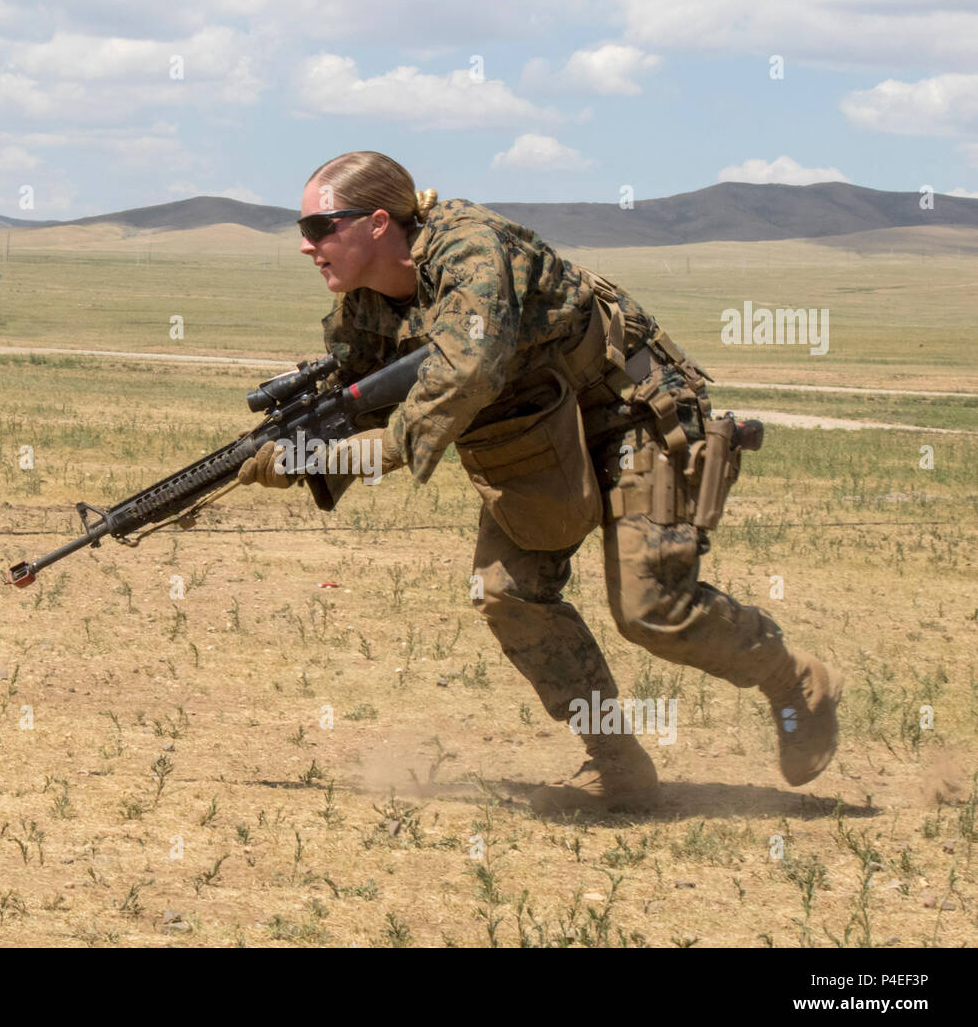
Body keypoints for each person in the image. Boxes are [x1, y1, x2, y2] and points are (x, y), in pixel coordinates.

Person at [239, 150, 841, 812]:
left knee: (650, 608)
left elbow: (423, 425)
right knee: (506, 593)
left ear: (378, 222)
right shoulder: (364, 305)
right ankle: (617, 762)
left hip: (635, 412)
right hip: (536, 428)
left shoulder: (474, 261)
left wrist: (315, 461)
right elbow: (361, 397)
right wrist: (293, 442)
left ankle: (796, 681)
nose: (305, 244)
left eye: (320, 227)